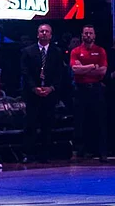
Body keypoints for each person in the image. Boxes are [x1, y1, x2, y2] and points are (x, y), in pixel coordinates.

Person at [20, 23, 66, 162]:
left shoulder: (57, 52)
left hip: (49, 94)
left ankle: (45, 154)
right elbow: (25, 72)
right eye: (41, 31)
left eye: (47, 31)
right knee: (31, 124)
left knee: (47, 124)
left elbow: (60, 73)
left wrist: (51, 88)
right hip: (32, 94)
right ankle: (29, 153)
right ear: (37, 34)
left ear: (51, 35)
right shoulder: (27, 51)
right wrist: (34, 88)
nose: (44, 33)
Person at [70, 24, 109, 162]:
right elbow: (75, 70)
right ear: (82, 35)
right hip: (80, 89)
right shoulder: (75, 51)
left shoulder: (101, 51)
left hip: (96, 89)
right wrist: (93, 66)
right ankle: (78, 152)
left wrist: (84, 68)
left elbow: (103, 71)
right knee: (79, 121)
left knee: (99, 121)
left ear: (94, 35)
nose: (88, 35)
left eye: (90, 33)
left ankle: (102, 152)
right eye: (85, 33)